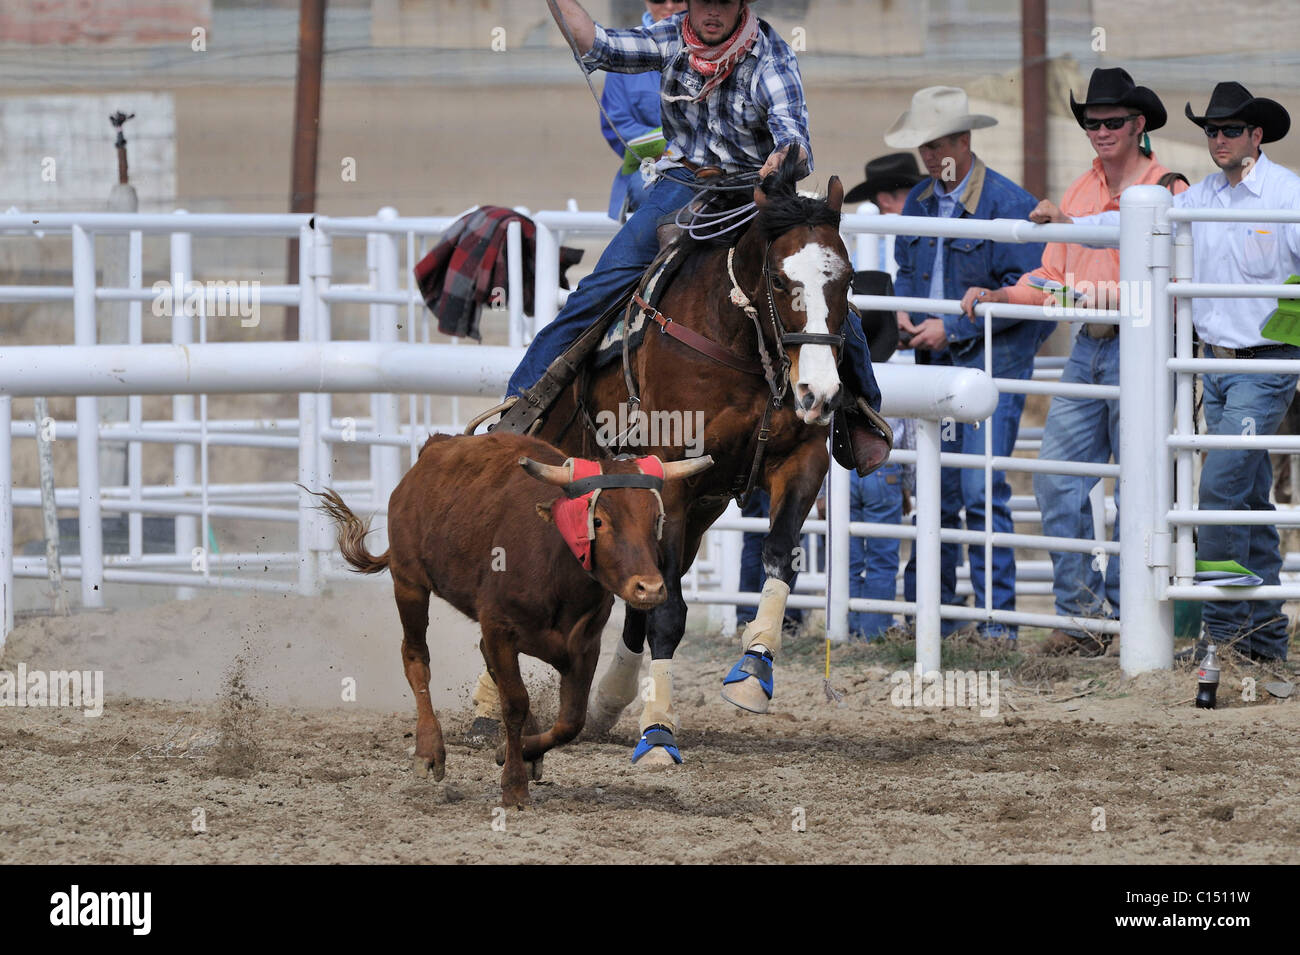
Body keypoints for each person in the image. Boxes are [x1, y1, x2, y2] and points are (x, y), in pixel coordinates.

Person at [1039, 81, 1300, 663]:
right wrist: (1066, 223)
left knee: (1216, 491)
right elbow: (1124, 233)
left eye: (1231, 130)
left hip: (1266, 366)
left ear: (1257, 135)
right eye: (1211, 130)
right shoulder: (1197, 198)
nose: (1219, 139)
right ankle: (1264, 640)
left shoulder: (1287, 196)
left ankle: (1223, 629)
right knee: (1245, 499)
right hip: (1216, 365)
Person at [959, 68, 1188, 656]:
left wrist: (1061, 250)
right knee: (1058, 477)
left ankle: (1128, 616)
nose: (1101, 131)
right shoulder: (1080, 193)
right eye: (1092, 123)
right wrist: (1003, 295)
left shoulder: (1170, 187)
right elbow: (1052, 278)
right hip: (1091, 343)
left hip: (1145, 343)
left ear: (1140, 126)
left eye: (1113, 122)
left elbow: (1171, 276)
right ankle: (1087, 617)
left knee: (1140, 483)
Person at [887, 86, 1046, 642]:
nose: (930, 157)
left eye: (937, 145)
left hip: (983, 363)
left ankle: (994, 622)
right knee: (938, 490)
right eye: (924, 147)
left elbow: (1028, 297)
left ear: (963, 140)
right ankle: (943, 614)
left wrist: (949, 326)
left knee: (977, 491)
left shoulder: (1009, 205)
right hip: (941, 363)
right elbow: (906, 266)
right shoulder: (924, 202)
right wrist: (908, 310)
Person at [599, 0, 685, 220]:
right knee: (645, 190)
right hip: (651, 166)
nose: (668, 6)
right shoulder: (624, 49)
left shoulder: (714, 45)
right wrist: (671, 149)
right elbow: (617, 124)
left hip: (713, 163)